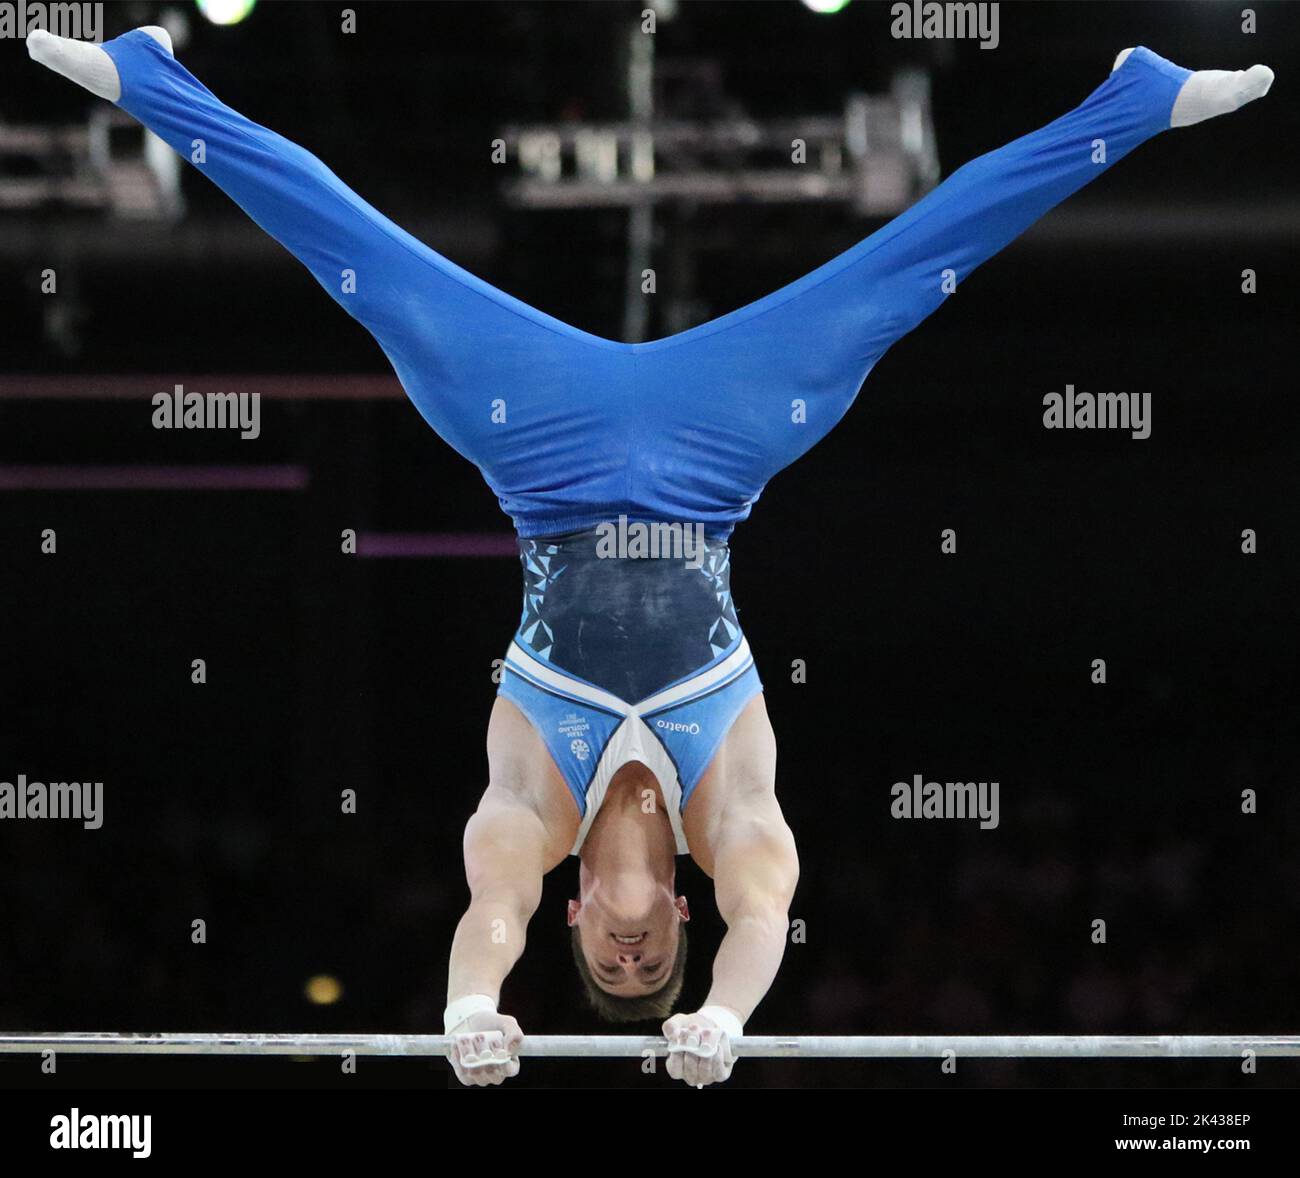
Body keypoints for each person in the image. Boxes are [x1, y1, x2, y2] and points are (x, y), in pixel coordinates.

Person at [28, 25, 1272, 1088]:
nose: (629, 957)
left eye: (606, 963)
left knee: (368, 269)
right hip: (714, 453)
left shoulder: (531, 814)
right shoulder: (733, 815)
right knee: (904, 274)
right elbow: (768, 919)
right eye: (654, 962)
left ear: (577, 920)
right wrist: (724, 1015)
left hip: (543, 454)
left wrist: (470, 1013)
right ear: (682, 914)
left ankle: (151, 80)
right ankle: (1130, 98)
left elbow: (486, 920)